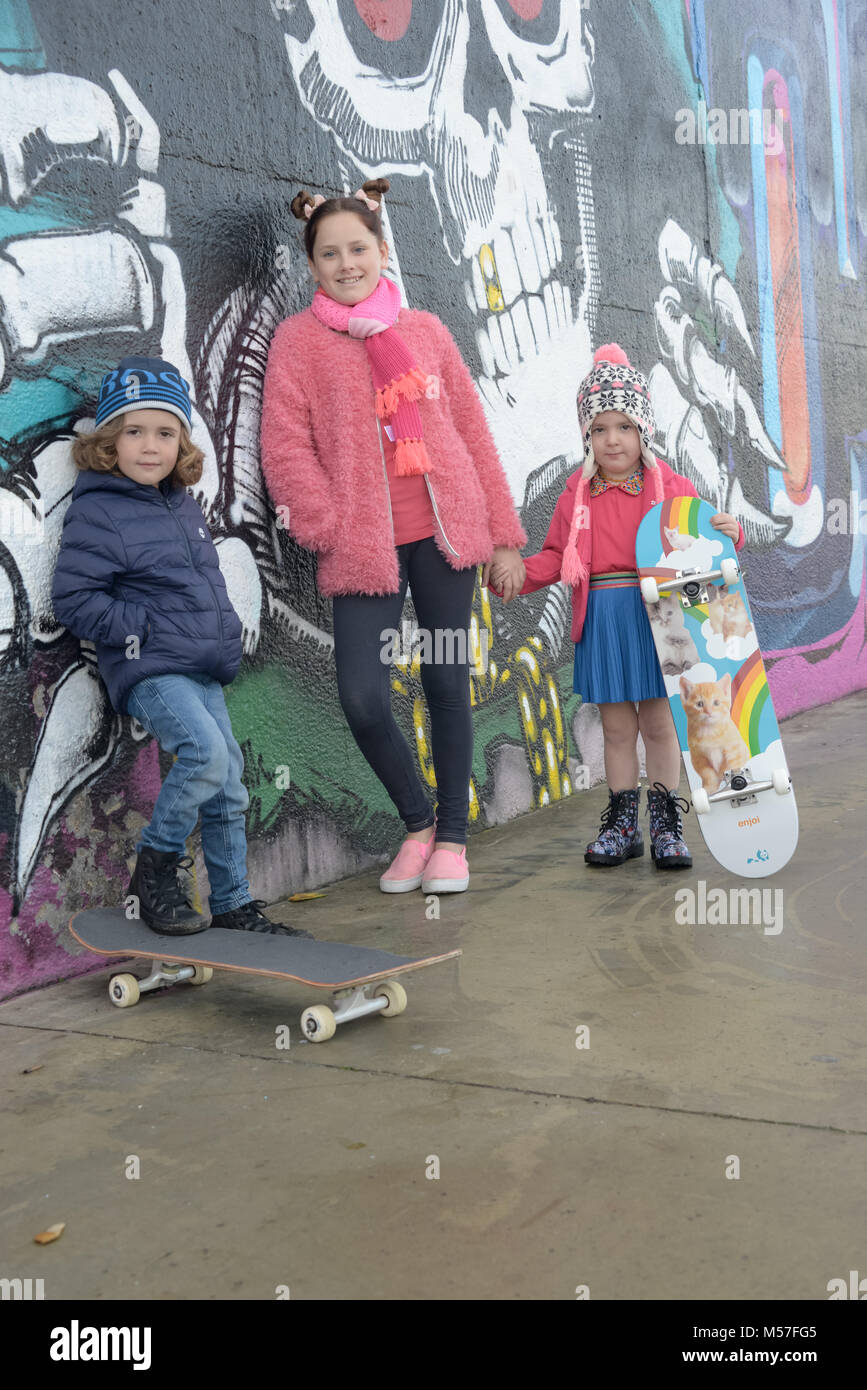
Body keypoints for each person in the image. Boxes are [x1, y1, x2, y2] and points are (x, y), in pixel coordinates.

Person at [261, 179, 526, 895]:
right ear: (311, 266)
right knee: (364, 697)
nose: (346, 263)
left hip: (444, 539)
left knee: (444, 681)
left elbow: (472, 434)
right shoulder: (299, 343)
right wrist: (323, 521)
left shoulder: (427, 333)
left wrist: (503, 535)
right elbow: (284, 445)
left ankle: (453, 841)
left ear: (381, 252)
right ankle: (417, 823)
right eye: (328, 254)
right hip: (363, 546)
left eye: (357, 249)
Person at [51, 356, 310, 938]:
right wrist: (141, 624)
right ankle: (156, 868)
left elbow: (204, 583)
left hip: (200, 666)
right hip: (150, 668)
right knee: (206, 755)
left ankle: (235, 904)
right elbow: (73, 598)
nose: (149, 446)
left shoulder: (183, 505)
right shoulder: (98, 509)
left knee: (229, 784)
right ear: (109, 441)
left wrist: (221, 638)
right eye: (133, 432)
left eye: (165, 433)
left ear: (182, 441)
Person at [490, 343, 744, 869]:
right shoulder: (576, 496)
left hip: (660, 619)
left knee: (658, 724)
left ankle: (666, 824)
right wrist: (515, 573)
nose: (612, 439)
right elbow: (558, 558)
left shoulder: (670, 487)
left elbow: (703, 545)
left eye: (623, 427)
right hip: (604, 619)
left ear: (643, 429)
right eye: (600, 428)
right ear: (587, 435)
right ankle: (622, 824)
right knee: (616, 729)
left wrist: (728, 534)